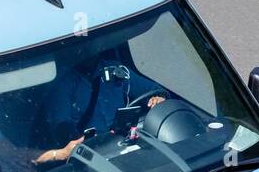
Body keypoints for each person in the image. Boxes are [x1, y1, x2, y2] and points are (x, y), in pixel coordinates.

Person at [32, 57, 164, 165]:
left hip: (126, 141)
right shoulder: (63, 83)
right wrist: (76, 139)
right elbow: (61, 126)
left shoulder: (116, 70)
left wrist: (157, 99)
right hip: (92, 152)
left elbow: (155, 91)